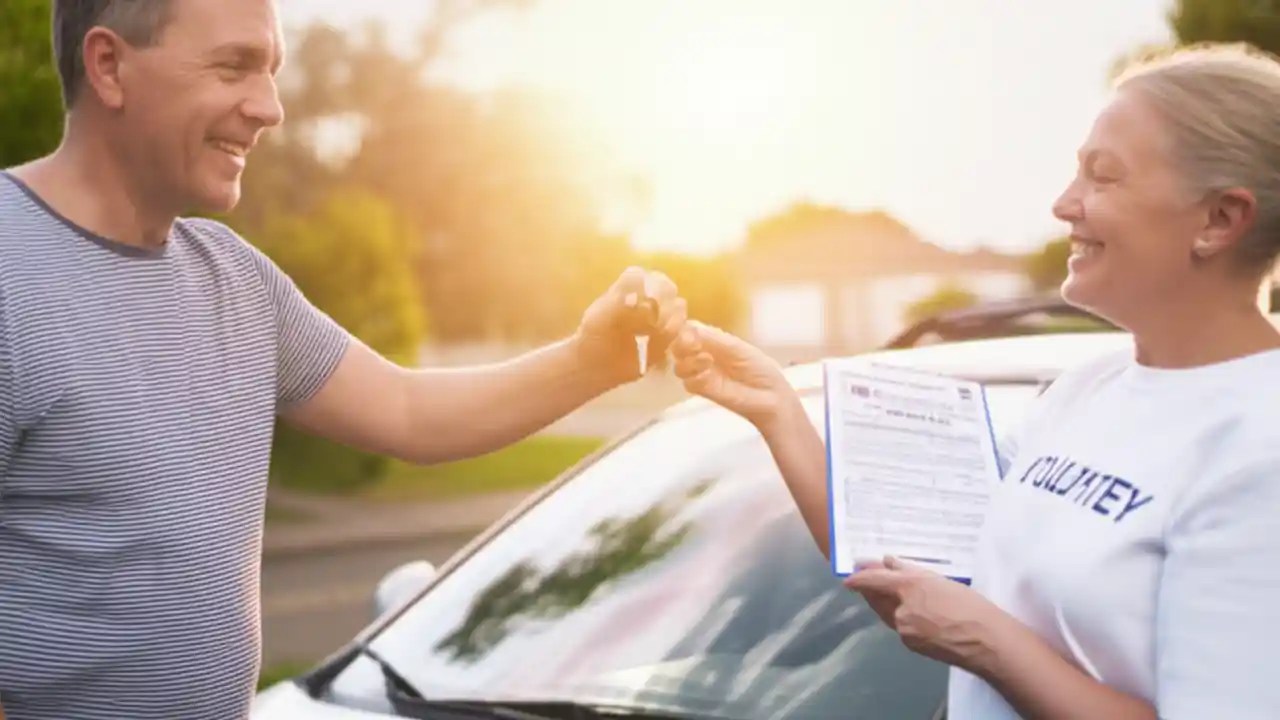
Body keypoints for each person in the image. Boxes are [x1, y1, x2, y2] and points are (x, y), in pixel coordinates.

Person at [0, 1, 689, 718]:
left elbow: (408, 412)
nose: (269, 108)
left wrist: (591, 361)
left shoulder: (235, 279)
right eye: (234, 65)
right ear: (109, 65)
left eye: (272, 72)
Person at [672, 41, 1280, 720]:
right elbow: (930, 579)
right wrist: (778, 413)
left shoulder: (1260, 448)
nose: (1063, 204)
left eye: (1102, 178)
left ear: (1220, 219)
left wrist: (987, 643)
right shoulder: (1089, 388)